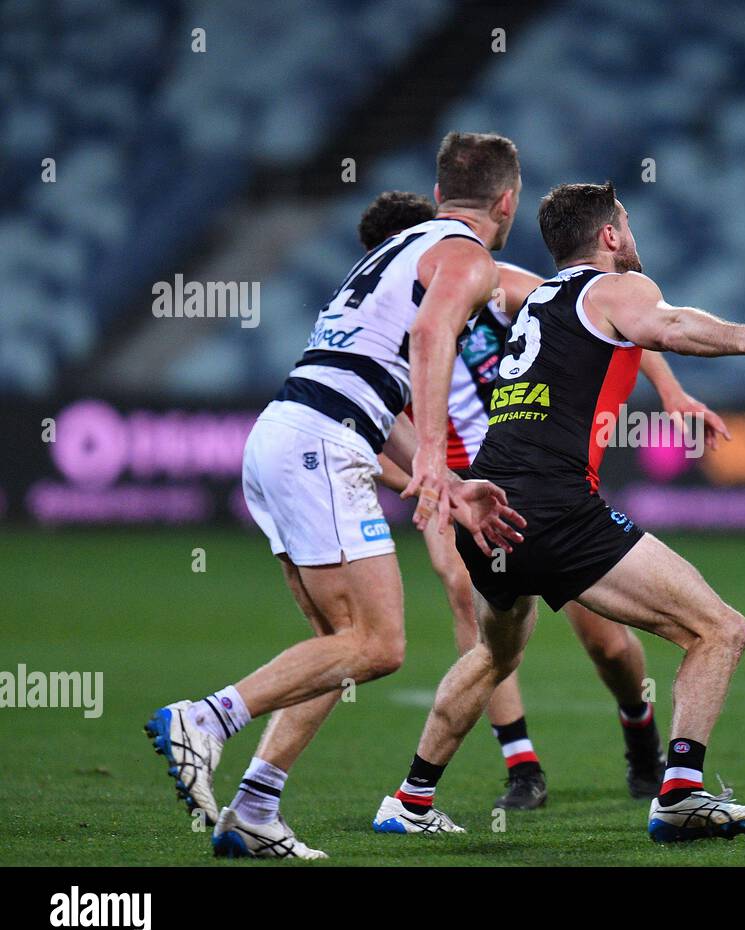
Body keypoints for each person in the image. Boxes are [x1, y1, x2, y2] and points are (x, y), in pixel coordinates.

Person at [372, 181, 745, 842]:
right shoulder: (617, 287)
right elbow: (667, 325)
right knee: (719, 629)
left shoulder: (536, 298)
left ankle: (410, 800)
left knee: (493, 655)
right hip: (552, 507)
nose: (632, 236)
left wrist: (669, 393)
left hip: (487, 505)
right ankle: (680, 794)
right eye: (628, 224)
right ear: (610, 235)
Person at [144, 132, 526, 858]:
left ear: (441, 193)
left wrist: (443, 475)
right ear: (507, 201)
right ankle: (208, 718)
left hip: (291, 427)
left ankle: (255, 808)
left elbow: (362, 383)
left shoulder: (395, 250)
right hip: (321, 442)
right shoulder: (466, 256)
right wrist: (443, 464)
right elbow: (429, 334)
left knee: (337, 646)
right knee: (378, 644)